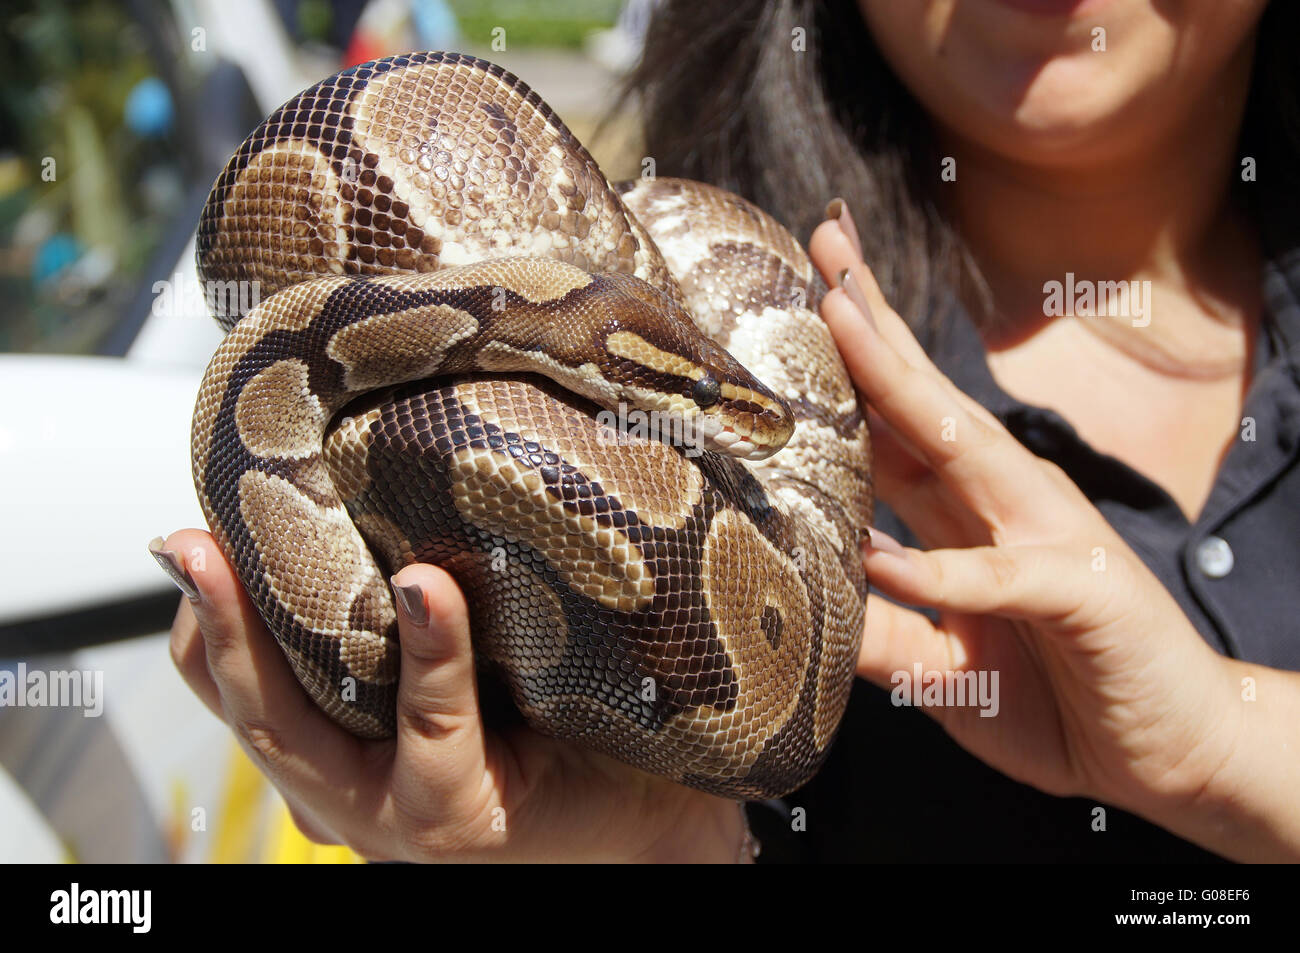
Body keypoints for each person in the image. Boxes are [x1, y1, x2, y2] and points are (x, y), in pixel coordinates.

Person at [155, 0, 1300, 861]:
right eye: (702, 403)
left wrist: (1228, 745)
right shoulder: (735, 301)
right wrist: (664, 850)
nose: (736, 421)